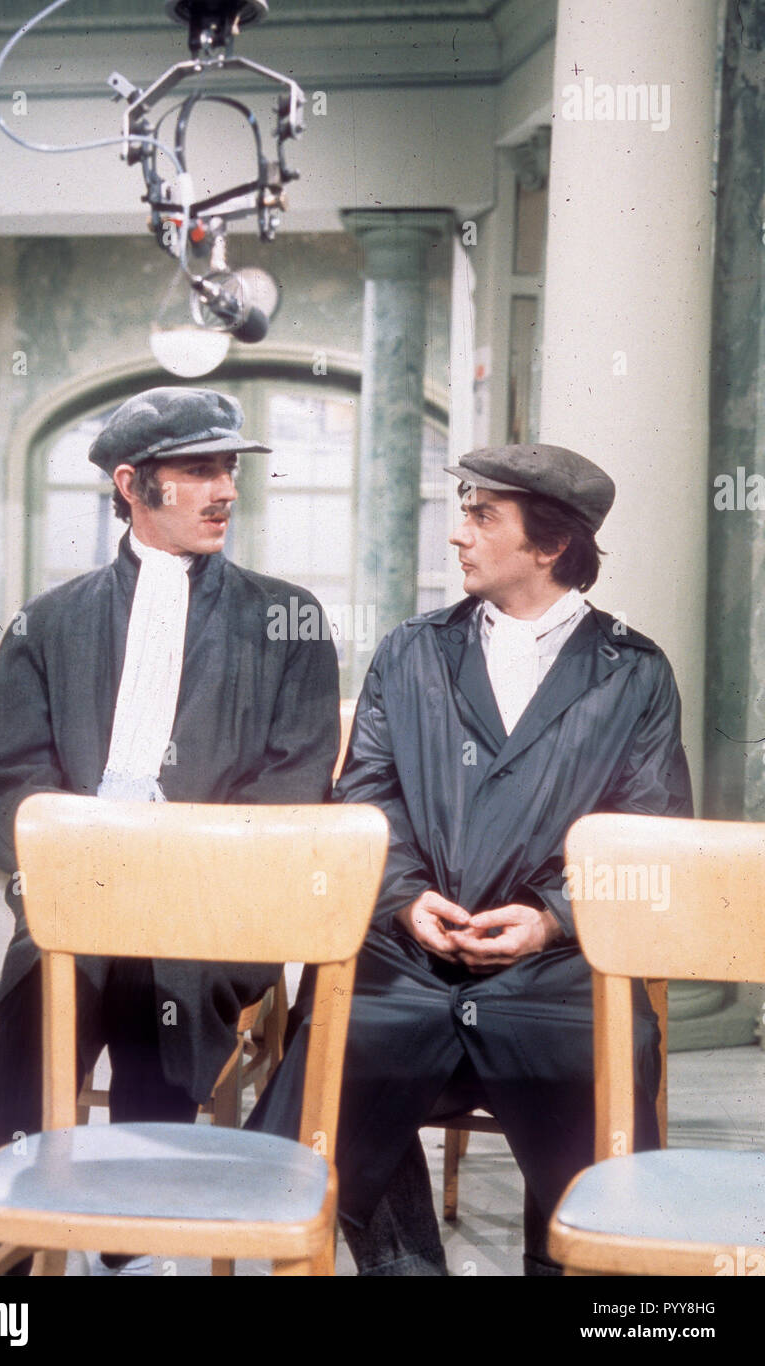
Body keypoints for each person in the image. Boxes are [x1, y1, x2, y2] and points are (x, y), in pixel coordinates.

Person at [250, 442, 692, 1276]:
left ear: (551, 545)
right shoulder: (411, 651)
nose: (458, 535)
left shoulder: (633, 671)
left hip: (559, 967)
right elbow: (366, 798)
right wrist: (407, 899)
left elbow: (650, 829)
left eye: (483, 516)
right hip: (412, 951)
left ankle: (562, 1268)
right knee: (342, 1050)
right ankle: (405, 1270)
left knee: (591, 1080)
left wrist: (551, 918)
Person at [0, 387, 339, 1269]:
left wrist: (178, 882)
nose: (224, 491)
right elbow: (10, 782)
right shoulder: (48, 624)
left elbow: (291, 788)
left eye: (230, 469)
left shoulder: (287, 623)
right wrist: (68, 882)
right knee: (47, 988)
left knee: (159, 979)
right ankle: (2, 1254)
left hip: (220, 913)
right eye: (199, 470)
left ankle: (132, 1232)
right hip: (78, 903)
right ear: (133, 484)